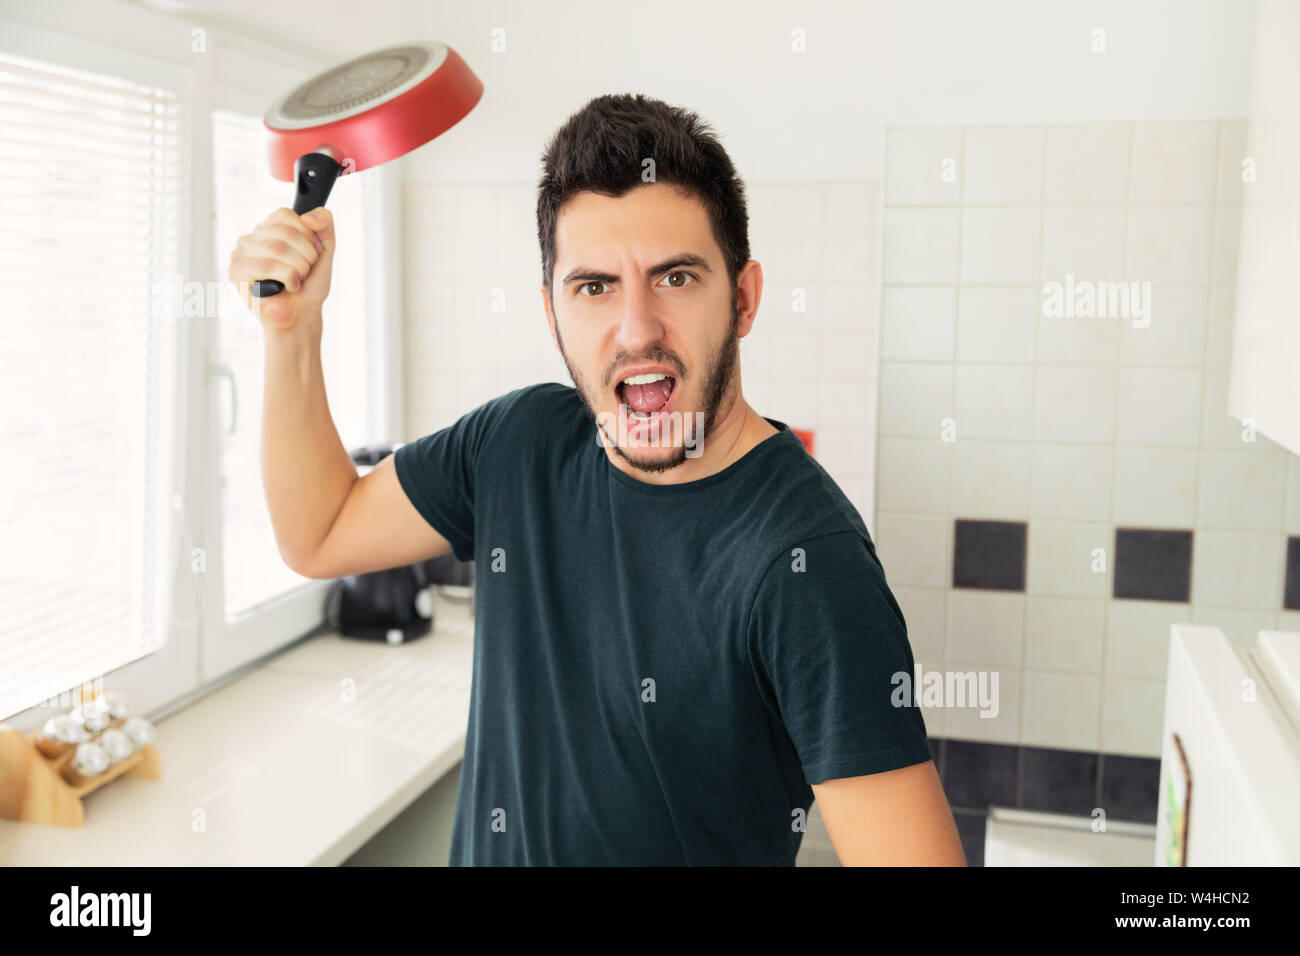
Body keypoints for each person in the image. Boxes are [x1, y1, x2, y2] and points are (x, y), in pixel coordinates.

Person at [227, 92, 965, 866]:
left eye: (675, 278)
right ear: (552, 314)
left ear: (742, 298)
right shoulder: (518, 443)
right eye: (595, 286)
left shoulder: (806, 562)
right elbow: (319, 532)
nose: (637, 328)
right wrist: (292, 332)